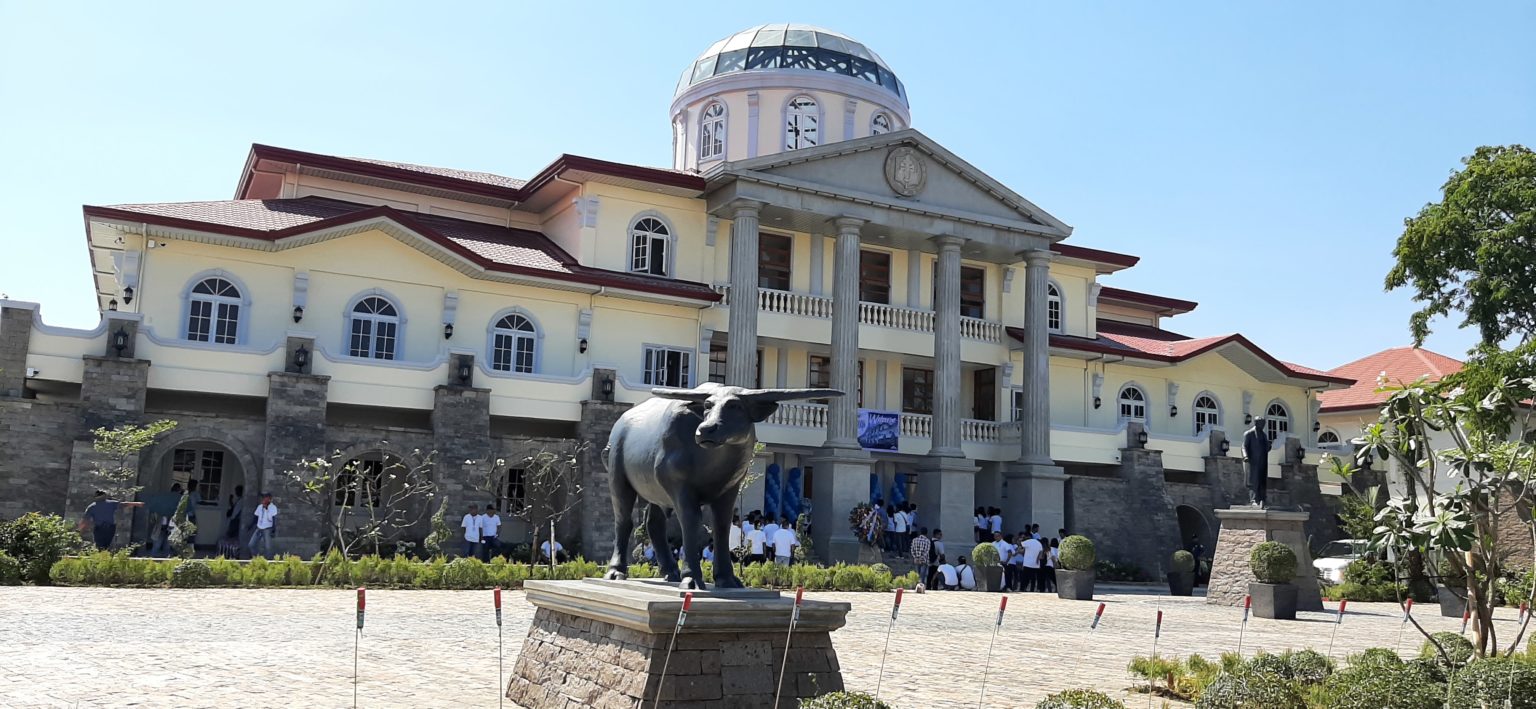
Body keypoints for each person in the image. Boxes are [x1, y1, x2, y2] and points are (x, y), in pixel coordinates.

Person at [249, 492, 278, 559]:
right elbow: (255, 518)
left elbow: (274, 520)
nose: (263, 499)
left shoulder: (273, 507)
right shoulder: (260, 507)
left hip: (267, 529)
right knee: (251, 545)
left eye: (265, 498)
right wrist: (250, 526)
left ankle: (268, 560)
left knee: (268, 547)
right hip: (259, 528)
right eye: (263, 498)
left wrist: (274, 530)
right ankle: (256, 558)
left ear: (269, 499)